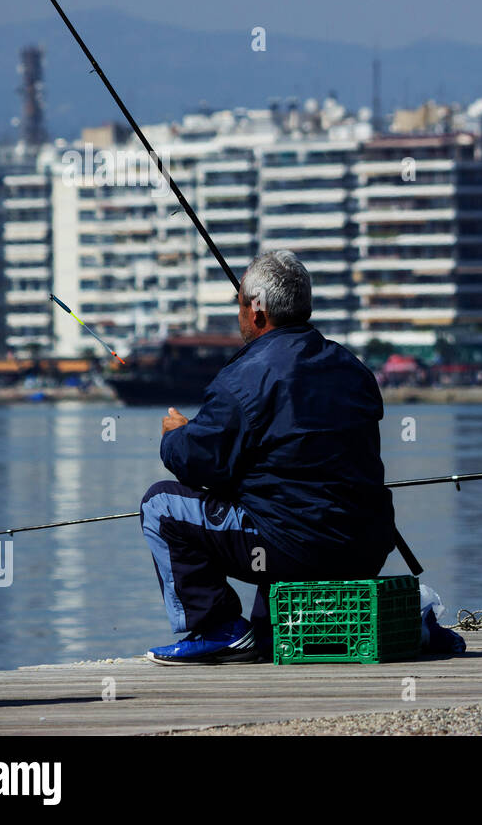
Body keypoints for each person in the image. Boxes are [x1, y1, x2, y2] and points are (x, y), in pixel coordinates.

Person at [140, 250, 395, 664]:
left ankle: (218, 625)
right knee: (272, 504)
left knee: (160, 505)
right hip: (365, 549)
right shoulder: (353, 369)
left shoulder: (243, 377)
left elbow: (196, 462)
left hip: (294, 552)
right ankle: (269, 630)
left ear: (257, 313)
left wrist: (177, 435)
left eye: (239, 302)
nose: (238, 312)